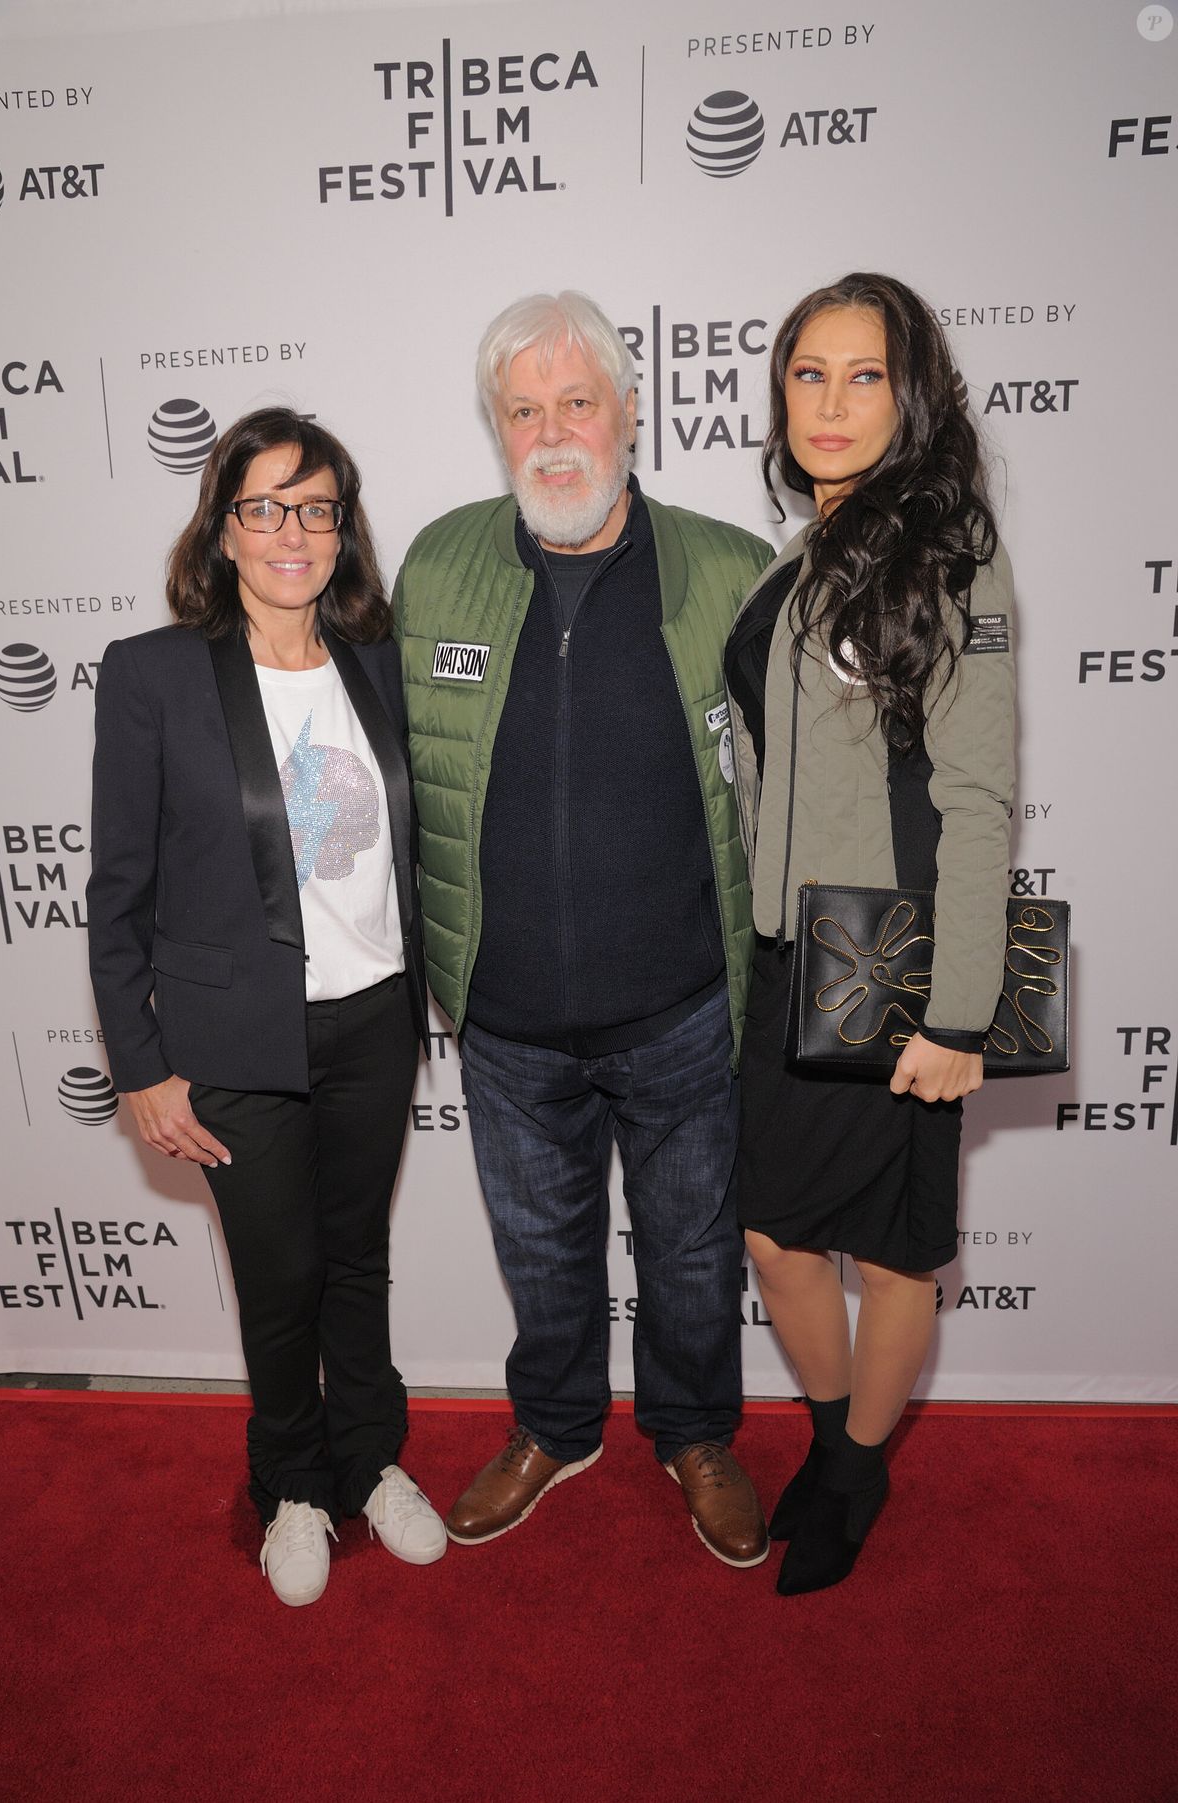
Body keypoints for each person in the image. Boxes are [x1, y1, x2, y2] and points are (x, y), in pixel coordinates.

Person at [393, 291, 774, 1567]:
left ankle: (695, 1434)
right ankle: (555, 1427)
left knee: (689, 1252)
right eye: (523, 410)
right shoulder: (439, 564)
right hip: (505, 1024)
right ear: (496, 430)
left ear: (626, 411)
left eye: (577, 402)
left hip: (680, 1009)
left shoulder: (725, 567)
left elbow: (801, 782)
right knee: (542, 1254)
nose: (553, 433)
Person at [87, 407, 447, 1606]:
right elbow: (119, 889)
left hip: (376, 1019)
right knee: (279, 1273)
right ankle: (292, 1482)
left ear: (343, 530)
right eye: (264, 506)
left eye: (316, 508)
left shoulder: (377, 663)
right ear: (223, 527)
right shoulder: (153, 675)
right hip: (238, 1038)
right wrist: (140, 1065)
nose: (291, 531)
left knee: (358, 1262)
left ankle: (371, 1460)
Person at [725, 274, 1016, 1594]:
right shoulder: (798, 552)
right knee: (778, 1236)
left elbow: (975, 791)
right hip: (790, 952)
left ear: (911, 394)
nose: (831, 402)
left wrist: (960, 1014)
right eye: (808, 373)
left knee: (893, 1243)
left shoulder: (951, 545)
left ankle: (853, 1464)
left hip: (894, 954)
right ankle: (840, 1431)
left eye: (863, 374)